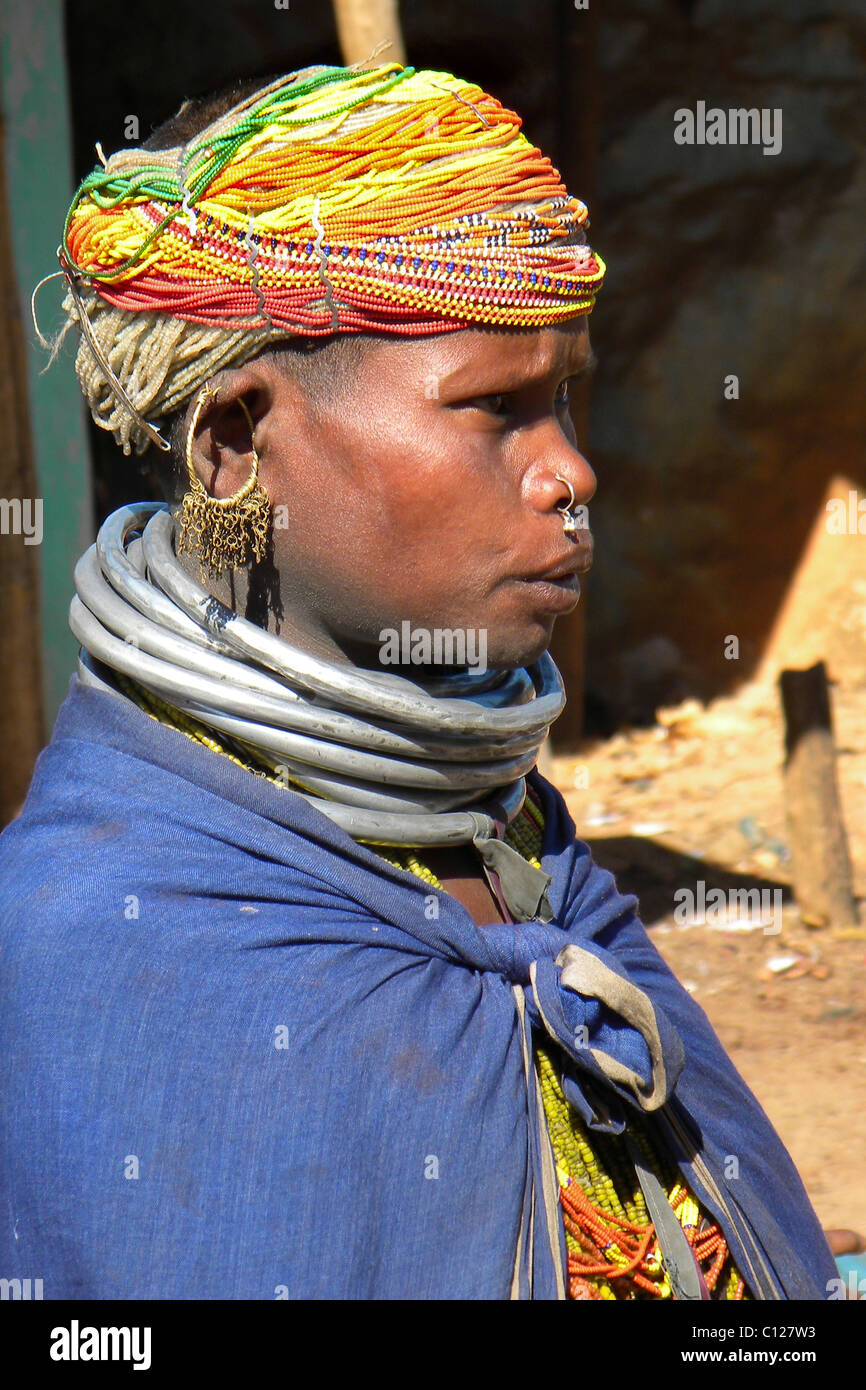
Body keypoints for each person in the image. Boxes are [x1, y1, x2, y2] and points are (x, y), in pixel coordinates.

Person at [0, 61, 836, 1300]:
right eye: (495, 408)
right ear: (236, 443)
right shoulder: (100, 947)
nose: (570, 472)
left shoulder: (515, 845)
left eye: (563, 399)